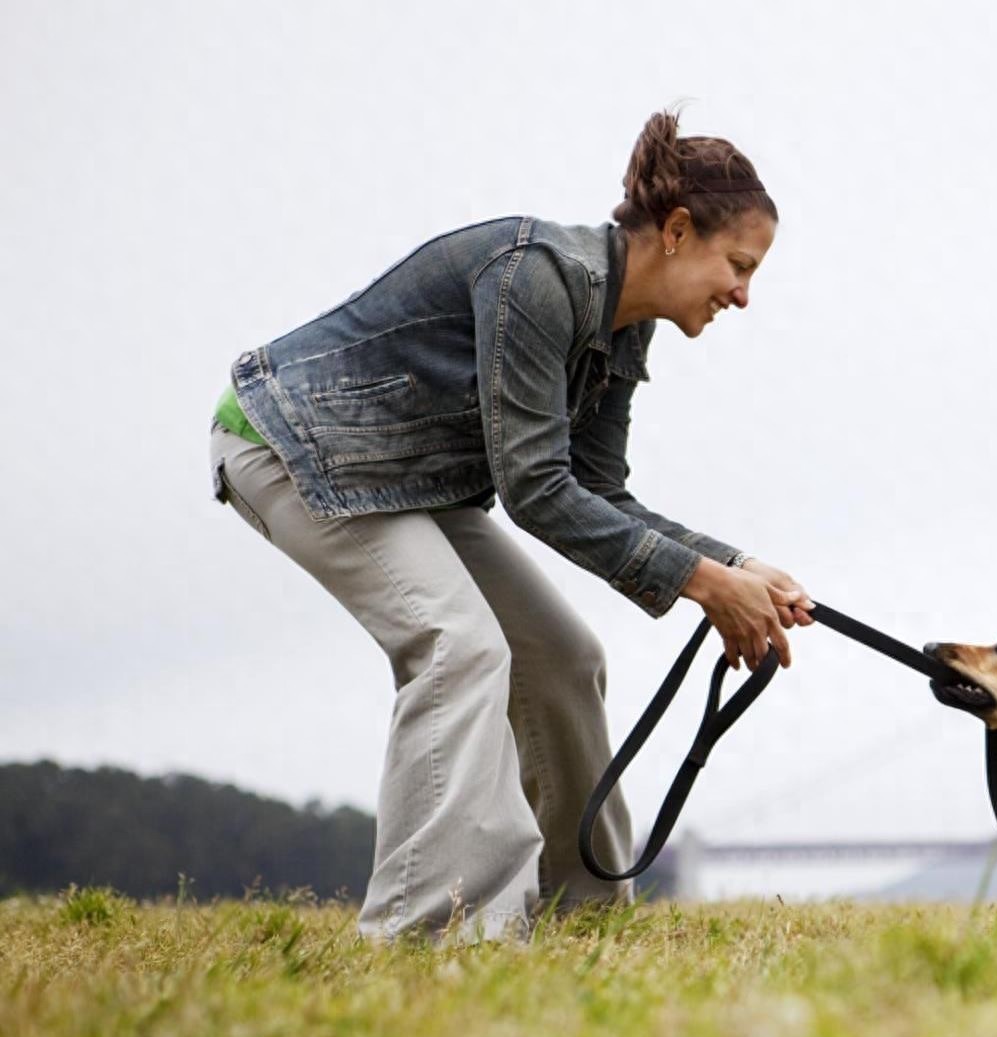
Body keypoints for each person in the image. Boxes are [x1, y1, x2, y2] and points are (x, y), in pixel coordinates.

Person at [208, 107, 813, 940]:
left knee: (565, 657)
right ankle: (430, 930)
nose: (743, 295)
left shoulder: (621, 332)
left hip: (410, 480)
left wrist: (738, 566)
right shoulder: (537, 275)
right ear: (677, 230)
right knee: (460, 647)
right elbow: (534, 489)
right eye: (739, 266)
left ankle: (585, 916)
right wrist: (707, 586)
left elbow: (598, 490)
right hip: (292, 444)